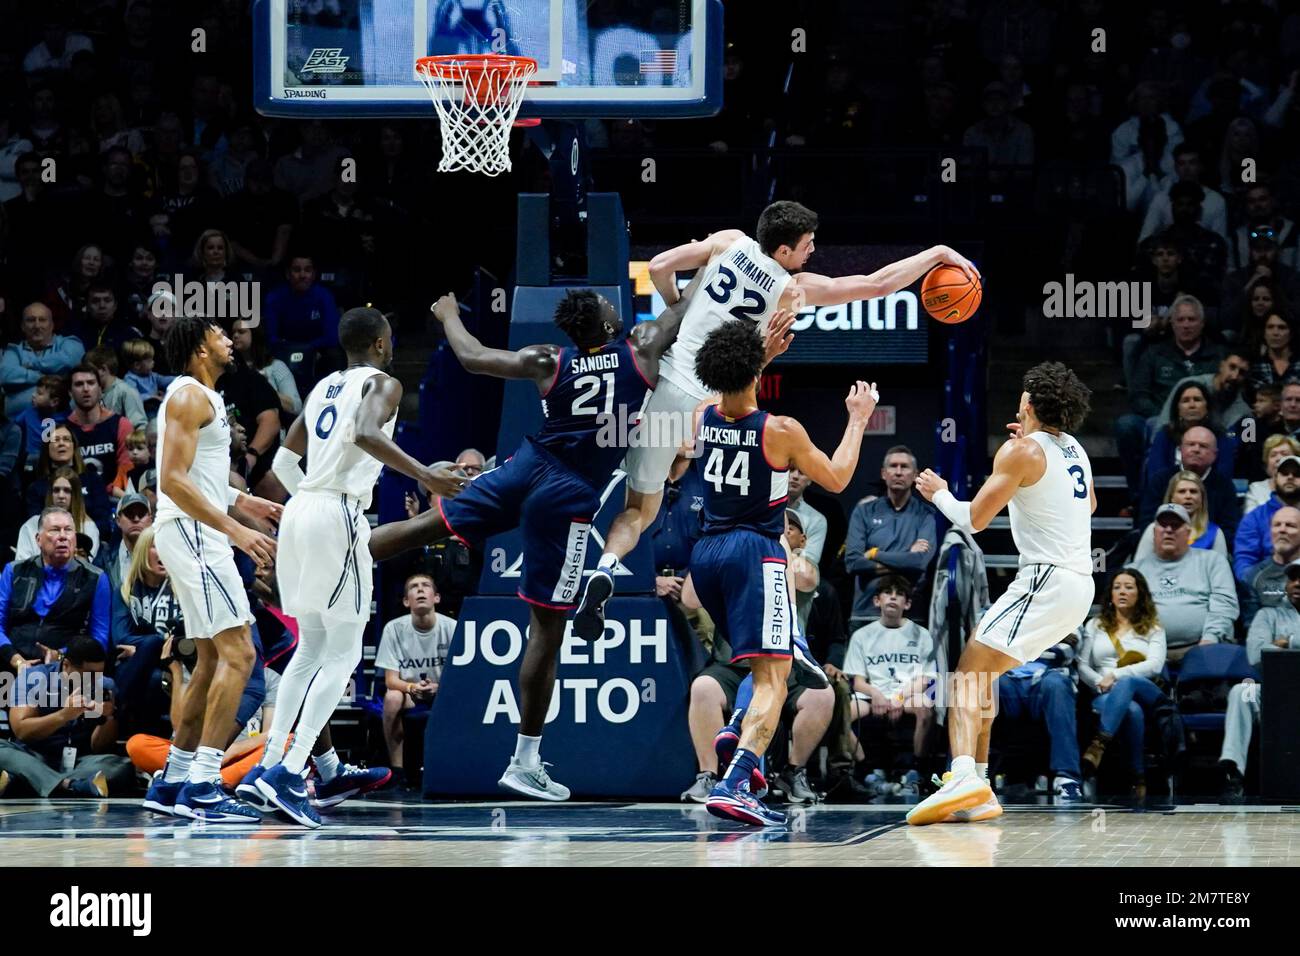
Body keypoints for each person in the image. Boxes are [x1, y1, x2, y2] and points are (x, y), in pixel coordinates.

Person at [572, 200, 978, 638]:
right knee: (740, 484)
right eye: (807, 245)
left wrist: (680, 308)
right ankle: (771, 615)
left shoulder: (729, 241)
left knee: (638, 505)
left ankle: (606, 567)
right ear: (784, 251)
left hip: (659, 385)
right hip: (711, 406)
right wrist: (936, 252)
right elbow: (875, 284)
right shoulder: (791, 289)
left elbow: (660, 266)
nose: (812, 250)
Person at [365, 282, 697, 802]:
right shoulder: (642, 348)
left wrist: (449, 312)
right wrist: (721, 255)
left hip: (525, 467)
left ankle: (339, 557)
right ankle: (525, 760)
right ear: (609, 327)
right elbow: (684, 306)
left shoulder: (548, 359)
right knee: (547, 629)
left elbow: (473, 357)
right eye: (612, 307)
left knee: (425, 528)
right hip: (569, 494)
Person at [246, 307, 463, 828]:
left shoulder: (322, 387)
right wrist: (425, 478)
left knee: (313, 647)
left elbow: (281, 462)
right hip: (336, 512)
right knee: (341, 655)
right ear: (384, 345)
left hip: (303, 511)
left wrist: (310, 500)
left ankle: (272, 763)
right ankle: (290, 773)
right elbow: (367, 434)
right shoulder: (383, 383)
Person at [658, 320, 876, 827]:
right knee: (776, 679)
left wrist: (758, 360)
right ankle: (735, 785)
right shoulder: (781, 430)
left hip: (706, 555)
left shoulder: (700, 415)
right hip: (755, 553)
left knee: (757, 666)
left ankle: (737, 728)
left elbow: (732, 393)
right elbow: (840, 476)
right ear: (755, 372)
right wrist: (858, 419)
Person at [909, 362, 1096, 826]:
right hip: (1080, 586)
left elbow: (973, 520)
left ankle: (961, 776)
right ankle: (981, 783)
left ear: (1027, 404)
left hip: (1046, 580)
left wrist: (937, 493)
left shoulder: (1021, 452)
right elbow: (1088, 503)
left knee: (965, 675)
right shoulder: (1073, 449)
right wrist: (1028, 466)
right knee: (984, 676)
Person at [139, 314, 282, 822]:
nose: (228, 340)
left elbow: (198, 478)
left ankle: (175, 777)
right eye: (220, 334)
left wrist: (247, 504)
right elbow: (173, 482)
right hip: (196, 534)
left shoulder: (203, 397)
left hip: (198, 531)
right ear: (201, 347)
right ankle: (204, 782)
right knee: (240, 655)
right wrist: (234, 528)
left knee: (208, 658)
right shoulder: (188, 396)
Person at [0, 635, 131, 798]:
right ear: (66, 665)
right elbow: (22, 731)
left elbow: (100, 747)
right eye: (89, 674)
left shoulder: (104, 686)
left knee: (120, 766)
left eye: (99, 674)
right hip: (35, 755)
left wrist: (107, 718)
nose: (94, 680)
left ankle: (29, 782)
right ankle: (70, 785)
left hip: (79, 761)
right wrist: (63, 715)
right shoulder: (34, 678)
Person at [1077, 569, 1170, 799]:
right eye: (1117, 587)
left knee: (1128, 682)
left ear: (1140, 593)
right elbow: (1081, 664)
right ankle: (1137, 776)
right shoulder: (1095, 625)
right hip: (1104, 691)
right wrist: (1100, 682)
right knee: (1131, 710)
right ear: (1110, 593)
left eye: (1129, 587)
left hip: (1145, 689)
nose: (1122, 591)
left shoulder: (1153, 628)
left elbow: (1155, 665)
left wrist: (1117, 675)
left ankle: (1099, 744)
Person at [843, 576, 937, 786]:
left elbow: (926, 679)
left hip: (907, 694)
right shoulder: (861, 635)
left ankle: (917, 768)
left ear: (908, 604)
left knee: (926, 707)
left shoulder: (922, 635)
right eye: (888, 593)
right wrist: (877, 694)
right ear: (877, 601)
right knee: (843, 713)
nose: (893, 597)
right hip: (872, 695)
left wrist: (898, 697)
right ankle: (865, 769)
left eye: (900, 594)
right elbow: (857, 681)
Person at [1219, 561, 1300, 801]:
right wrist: (1276, 646)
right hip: (1277, 692)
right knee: (1241, 691)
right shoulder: (1268, 614)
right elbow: (1256, 654)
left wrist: (1290, 641)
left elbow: (1274, 647)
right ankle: (1233, 772)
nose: (1298, 584)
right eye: (1293, 578)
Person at [0, 507, 111, 671]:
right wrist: (16, 660)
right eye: (54, 530)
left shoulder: (95, 578)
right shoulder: (14, 571)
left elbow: (99, 638)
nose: (63, 536)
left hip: (65, 667)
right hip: (10, 662)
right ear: (38, 539)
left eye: (68, 530)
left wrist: (60, 655)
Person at [845, 446, 939, 627]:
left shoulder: (926, 514)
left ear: (914, 475)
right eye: (893, 466)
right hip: (866, 613)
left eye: (904, 467)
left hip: (911, 614)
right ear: (883, 473)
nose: (898, 472)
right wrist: (905, 557)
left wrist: (873, 553)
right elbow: (853, 562)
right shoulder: (864, 511)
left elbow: (919, 563)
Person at [1132, 504, 1238, 660]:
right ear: (1154, 532)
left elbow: (1225, 604)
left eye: (1175, 525)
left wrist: (1211, 638)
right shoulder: (1135, 571)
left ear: (1188, 533)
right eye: (1163, 525)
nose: (1169, 530)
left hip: (1204, 649)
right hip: (1148, 653)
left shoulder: (1212, 561)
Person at [376, 573, 456, 775]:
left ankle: (452, 766)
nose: (420, 590)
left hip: (443, 692)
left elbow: (460, 676)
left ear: (436, 597)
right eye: (414, 587)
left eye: (425, 585)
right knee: (392, 698)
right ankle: (397, 770)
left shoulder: (453, 627)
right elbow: (391, 680)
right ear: (406, 601)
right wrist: (413, 688)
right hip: (411, 693)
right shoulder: (393, 629)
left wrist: (438, 688)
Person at [1139, 426, 1241, 542]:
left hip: (1210, 551)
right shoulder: (1160, 480)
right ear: (1180, 450)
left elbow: (1229, 529)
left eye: (1203, 446)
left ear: (1214, 454)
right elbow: (1147, 523)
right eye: (1191, 444)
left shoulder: (1224, 485)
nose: (1196, 449)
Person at [24, 421, 113, 537]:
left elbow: (104, 522)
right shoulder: (36, 488)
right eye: (56, 440)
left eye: (66, 439)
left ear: (74, 446)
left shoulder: (93, 480)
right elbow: (35, 526)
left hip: (89, 541)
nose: (61, 443)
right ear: (47, 448)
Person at [1, 302, 85, 419]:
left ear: (52, 325)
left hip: (64, 422)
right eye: (31, 320)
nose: (37, 325)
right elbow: (5, 375)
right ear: (22, 326)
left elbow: (68, 361)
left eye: (42, 320)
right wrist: (46, 378)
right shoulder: (13, 350)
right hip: (19, 424)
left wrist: (31, 365)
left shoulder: (70, 343)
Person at [66, 363, 134, 497]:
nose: (86, 389)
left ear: (100, 389)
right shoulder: (62, 429)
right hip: (74, 499)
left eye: (91, 383)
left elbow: (126, 469)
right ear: (70, 392)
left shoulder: (121, 425)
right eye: (79, 384)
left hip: (113, 498)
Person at [1133, 470, 1228, 560]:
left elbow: (1221, 570)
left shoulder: (1215, 533)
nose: (1188, 496)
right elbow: (1139, 569)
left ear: (1201, 498)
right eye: (1182, 491)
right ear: (1172, 497)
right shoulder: (1155, 529)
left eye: (1193, 491)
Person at [1233, 454, 1300, 580]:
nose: (1290, 477)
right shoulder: (1254, 518)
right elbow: (1244, 561)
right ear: (1275, 479)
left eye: (1297, 474)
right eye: (1284, 473)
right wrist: (1259, 584)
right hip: (1267, 586)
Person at [14, 468, 100, 562]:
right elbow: (22, 565)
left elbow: (88, 568)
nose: (61, 496)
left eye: (67, 491)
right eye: (56, 490)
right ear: (50, 494)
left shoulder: (89, 527)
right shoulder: (31, 526)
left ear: (75, 495)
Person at [1239, 507, 1300, 627]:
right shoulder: (1253, 576)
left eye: (1290, 525)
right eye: (1277, 525)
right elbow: (1252, 627)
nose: (1282, 530)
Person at [13, 374, 68, 471]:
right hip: (31, 458)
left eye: (39, 393)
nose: (33, 395)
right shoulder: (29, 412)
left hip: (55, 458)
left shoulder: (66, 417)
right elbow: (14, 426)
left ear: (54, 402)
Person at [85, 345, 147, 431]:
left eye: (89, 371)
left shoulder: (126, 392)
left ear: (103, 369)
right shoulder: (91, 393)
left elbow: (140, 427)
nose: (86, 376)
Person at [1244, 435, 1300, 514]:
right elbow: (1250, 521)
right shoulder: (1257, 489)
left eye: (1284, 454)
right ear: (1266, 463)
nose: (1279, 459)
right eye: (1273, 455)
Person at [122, 338, 175, 411]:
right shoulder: (130, 379)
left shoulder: (151, 375)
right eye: (149, 361)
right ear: (137, 365)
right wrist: (151, 397)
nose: (153, 362)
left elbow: (164, 380)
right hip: (145, 413)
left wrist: (181, 378)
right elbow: (133, 397)